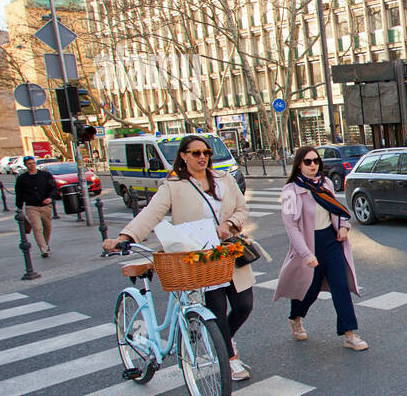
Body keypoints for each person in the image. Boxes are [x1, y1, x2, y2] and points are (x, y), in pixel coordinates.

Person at [103, 134, 255, 381]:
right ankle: (229, 357)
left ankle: (223, 338)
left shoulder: (224, 179)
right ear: (183, 156)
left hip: (228, 252)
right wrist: (125, 236)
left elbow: (242, 208)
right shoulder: (173, 187)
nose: (202, 157)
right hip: (200, 258)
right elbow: (150, 214)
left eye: (206, 152)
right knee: (216, 309)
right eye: (195, 153)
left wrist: (229, 223)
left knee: (244, 305)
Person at [277, 146, 367, 351]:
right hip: (308, 244)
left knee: (340, 287)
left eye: (316, 161)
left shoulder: (325, 184)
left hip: (331, 241)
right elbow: (291, 226)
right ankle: (295, 317)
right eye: (307, 162)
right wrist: (306, 254)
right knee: (311, 289)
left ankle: (350, 334)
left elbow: (338, 209)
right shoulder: (291, 191)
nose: (313, 165)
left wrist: (344, 226)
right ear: (299, 165)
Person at [14, 155, 59, 258]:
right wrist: (19, 207)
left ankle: (46, 244)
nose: (32, 165)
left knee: (47, 227)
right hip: (31, 207)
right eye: (29, 164)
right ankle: (43, 248)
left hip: (46, 206)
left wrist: (50, 198)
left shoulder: (45, 175)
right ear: (25, 165)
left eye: (33, 163)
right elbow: (19, 194)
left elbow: (54, 188)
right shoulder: (22, 179)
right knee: (37, 228)